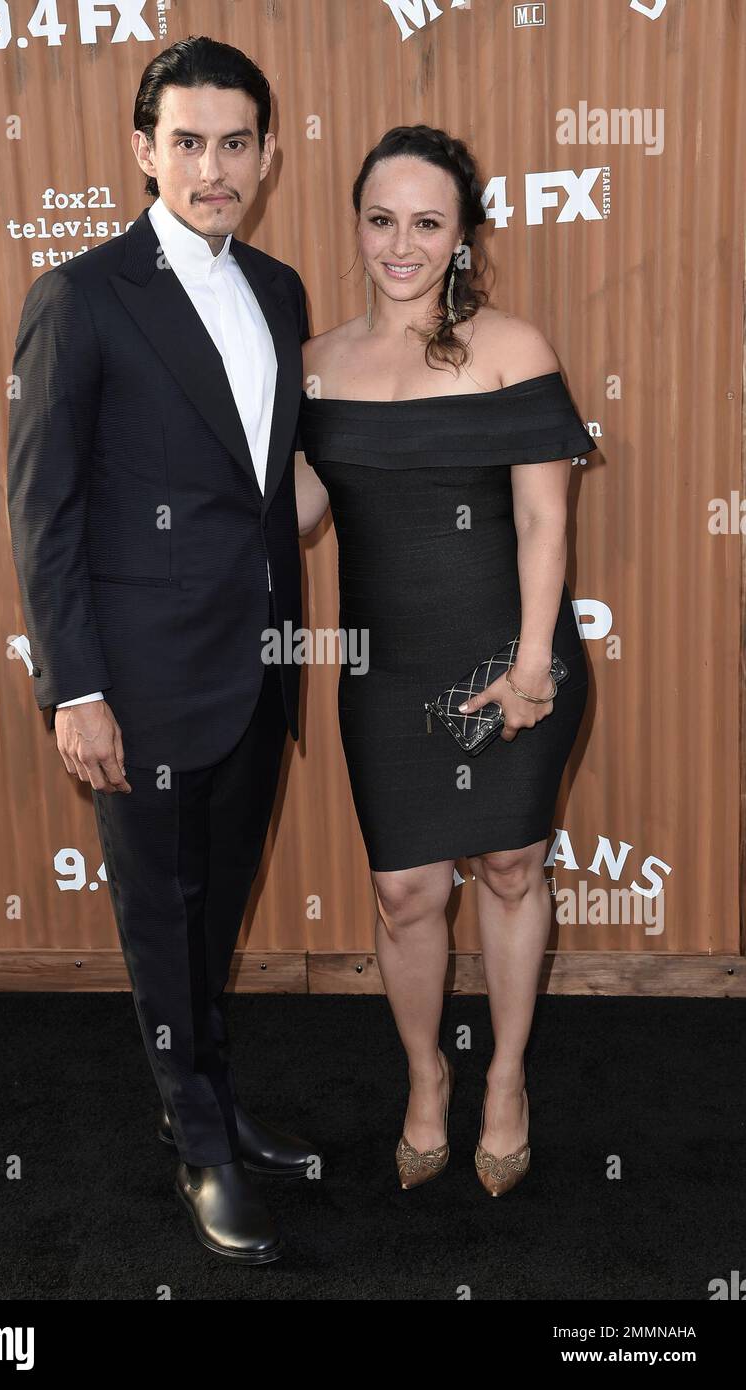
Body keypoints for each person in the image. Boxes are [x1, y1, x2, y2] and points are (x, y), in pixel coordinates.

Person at [7, 37, 321, 1263]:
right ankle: (196, 1140)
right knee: (160, 915)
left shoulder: (282, 289)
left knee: (216, 911)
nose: (211, 165)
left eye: (234, 142)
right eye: (185, 141)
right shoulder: (81, 296)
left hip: (254, 669)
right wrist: (73, 689)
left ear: (266, 154)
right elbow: (42, 510)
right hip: (134, 682)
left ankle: (213, 1102)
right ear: (143, 150)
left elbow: (263, 486)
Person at [295, 125, 597, 1197]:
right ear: (357, 224)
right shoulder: (317, 364)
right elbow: (294, 513)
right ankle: (426, 1077)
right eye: (381, 220)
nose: (400, 244)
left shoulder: (513, 349)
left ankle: (505, 1079)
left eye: (427, 222)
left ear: (462, 235)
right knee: (402, 893)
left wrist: (528, 669)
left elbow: (539, 527)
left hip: (510, 650)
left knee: (510, 870)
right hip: (384, 670)